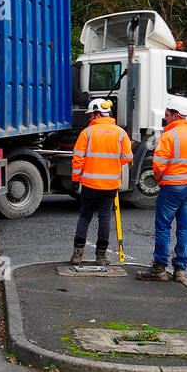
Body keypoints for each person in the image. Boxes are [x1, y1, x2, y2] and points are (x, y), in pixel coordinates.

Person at [138, 97, 187, 283]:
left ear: (176, 115)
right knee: (184, 227)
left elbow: (158, 165)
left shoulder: (169, 136)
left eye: (167, 114)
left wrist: (159, 177)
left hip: (171, 188)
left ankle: (160, 268)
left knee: (163, 227)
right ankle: (180, 270)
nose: (165, 118)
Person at [69, 98, 132, 266]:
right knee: (105, 218)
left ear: (97, 114)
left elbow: (77, 159)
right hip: (110, 186)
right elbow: (127, 158)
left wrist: (75, 179)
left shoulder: (87, 133)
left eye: (91, 115)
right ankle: (101, 256)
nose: (90, 119)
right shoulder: (120, 133)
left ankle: (77, 255)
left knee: (85, 217)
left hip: (89, 184)